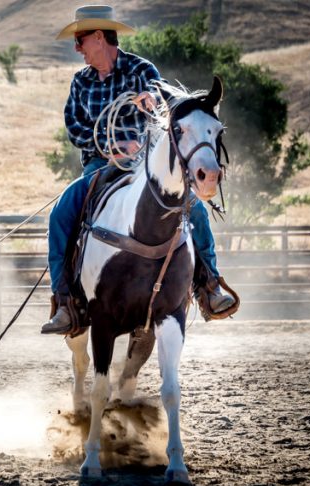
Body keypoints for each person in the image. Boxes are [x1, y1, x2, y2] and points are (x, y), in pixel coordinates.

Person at [41, 5, 235, 334]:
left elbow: (169, 115)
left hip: (145, 164)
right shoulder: (81, 82)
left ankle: (209, 286)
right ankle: (65, 300)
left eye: (81, 40)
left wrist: (154, 105)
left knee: (195, 209)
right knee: (60, 215)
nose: (78, 48)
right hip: (100, 165)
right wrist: (110, 145)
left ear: (99, 37)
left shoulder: (142, 71)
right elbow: (74, 128)